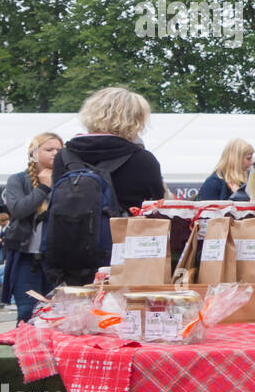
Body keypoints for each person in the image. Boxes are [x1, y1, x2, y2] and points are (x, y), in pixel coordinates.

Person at [47, 88, 166, 284]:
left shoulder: (64, 156)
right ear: (135, 120)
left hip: (71, 258)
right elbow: (158, 212)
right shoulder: (143, 160)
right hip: (123, 261)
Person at [2, 133, 63, 322]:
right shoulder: (18, 180)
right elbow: (18, 210)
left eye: (59, 150)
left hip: (56, 258)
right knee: (26, 311)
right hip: (25, 258)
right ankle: (23, 340)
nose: (55, 153)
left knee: (56, 313)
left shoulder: (67, 180)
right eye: (49, 149)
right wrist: (43, 188)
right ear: (34, 154)